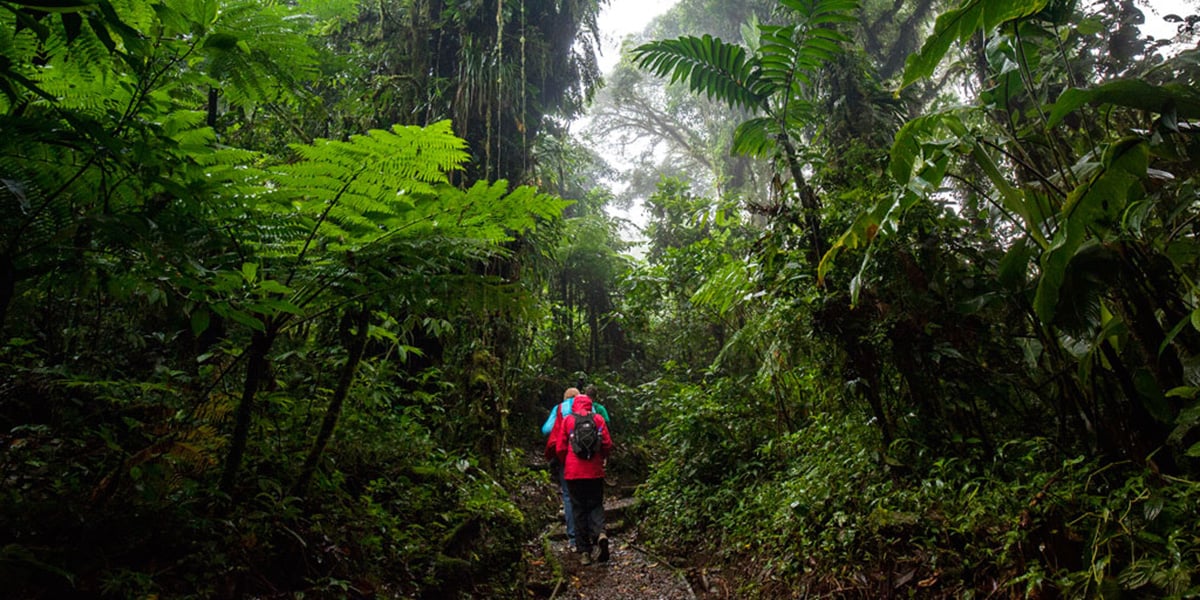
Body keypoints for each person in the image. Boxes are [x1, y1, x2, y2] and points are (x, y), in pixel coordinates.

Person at [543, 387, 610, 550]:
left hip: (573, 471)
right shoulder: (598, 418)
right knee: (595, 504)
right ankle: (599, 533)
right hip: (594, 470)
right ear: (589, 403)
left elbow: (558, 446)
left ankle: (581, 548)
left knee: (577, 506)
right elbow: (607, 443)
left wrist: (565, 461)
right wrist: (602, 457)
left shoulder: (567, 419)